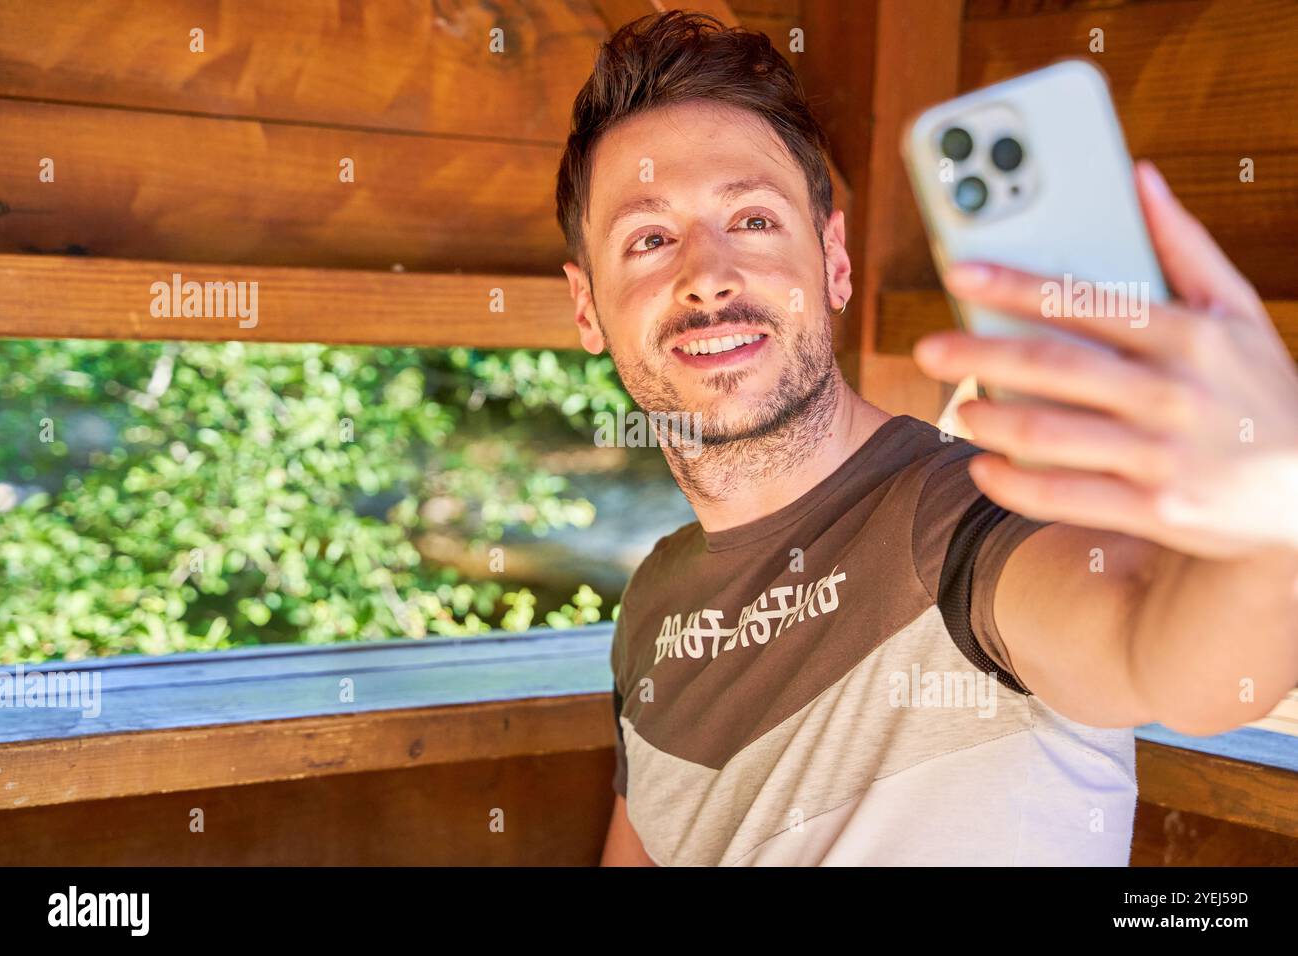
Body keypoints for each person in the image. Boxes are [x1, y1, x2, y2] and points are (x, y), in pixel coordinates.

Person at [553, 11, 1298, 866]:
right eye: (649, 240)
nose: (708, 277)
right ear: (587, 307)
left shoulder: (965, 517)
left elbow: (1157, 648)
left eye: (754, 221)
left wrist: (1270, 523)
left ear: (833, 261)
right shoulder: (651, 605)